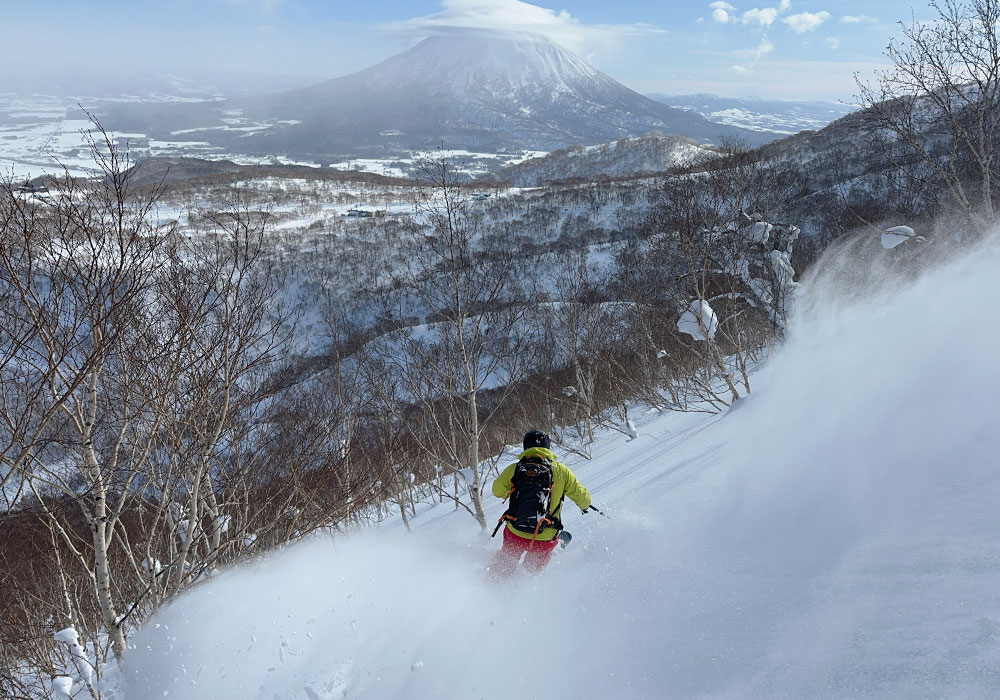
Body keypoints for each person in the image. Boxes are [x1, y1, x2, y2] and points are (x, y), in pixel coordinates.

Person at [488, 429, 591, 577]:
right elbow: (584, 499)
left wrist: (510, 491)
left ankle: (494, 582)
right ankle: (522, 586)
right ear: (547, 447)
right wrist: (584, 506)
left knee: (504, 563)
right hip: (544, 537)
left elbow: (496, 490)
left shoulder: (515, 469)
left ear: (525, 447)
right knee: (530, 573)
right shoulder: (561, 471)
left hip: (516, 533)